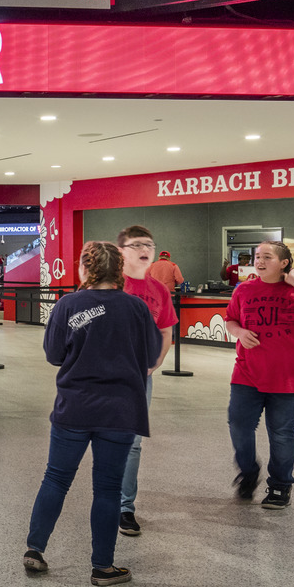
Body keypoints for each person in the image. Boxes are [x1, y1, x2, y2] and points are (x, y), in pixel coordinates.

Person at [23, 241, 157, 587]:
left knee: (56, 478)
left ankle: (35, 549)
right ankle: (102, 567)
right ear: (119, 271)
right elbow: (151, 355)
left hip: (74, 407)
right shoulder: (137, 308)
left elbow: (53, 354)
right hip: (120, 410)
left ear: (85, 268)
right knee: (108, 488)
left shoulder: (68, 304)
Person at [223, 241, 294, 509]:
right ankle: (248, 472)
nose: (259, 261)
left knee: (281, 433)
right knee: (238, 425)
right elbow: (231, 319)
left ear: (284, 263)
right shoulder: (244, 289)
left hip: (291, 376)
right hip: (247, 372)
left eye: (267, 257)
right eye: (257, 257)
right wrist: (240, 332)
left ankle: (280, 485)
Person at [113, 225, 177, 538]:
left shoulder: (159, 291)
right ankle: (105, 498)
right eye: (137, 244)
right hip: (101, 376)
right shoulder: (107, 284)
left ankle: (125, 507)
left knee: (132, 442)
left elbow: (166, 331)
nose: (144, 249)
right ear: (121, 251)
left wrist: (156, 362)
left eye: (149, 244)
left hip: (139, 377)